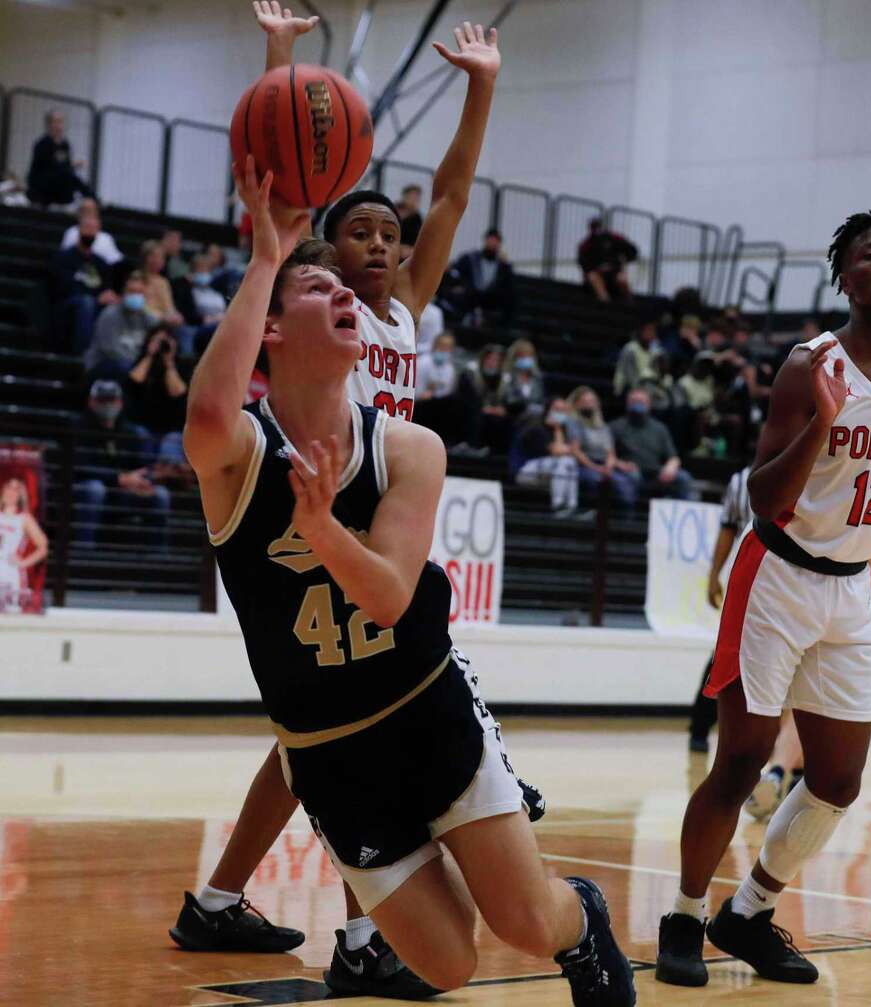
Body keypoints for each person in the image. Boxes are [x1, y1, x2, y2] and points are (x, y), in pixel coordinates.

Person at [182, 149, 635, 1007]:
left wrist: (320, 529)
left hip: (425, 704)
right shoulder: (241, 455)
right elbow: (206, 413)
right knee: (446, 965)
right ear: (268, 330)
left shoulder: (407, 447)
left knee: (525, 924)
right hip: (326, 748)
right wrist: (267, 256)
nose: (347, 294)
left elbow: (388, 594)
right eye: (321, 291)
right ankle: (456, 868)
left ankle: (579, 914)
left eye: (347, 292)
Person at [168, 7, 544, 1000]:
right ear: (327, 244)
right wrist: (280, 63)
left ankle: (235, 897)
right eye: (359, 230)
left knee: (314, 738)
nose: (380, 244)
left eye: (391, 232)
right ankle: (303, 905)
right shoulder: (306, 306)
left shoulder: (404, 309)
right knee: (314, 736)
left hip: (380, 506)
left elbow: (455, 191)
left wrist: (484, 84)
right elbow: (277, 178)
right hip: (303, 497)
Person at [656, 211, 871, 989]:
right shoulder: (806, 364)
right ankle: (681, 914)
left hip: (847, 594)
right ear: (842, 276)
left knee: (838, 779)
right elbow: (765, 496)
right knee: (741, 760)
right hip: (776, 575)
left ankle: (746, 912)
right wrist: (822, 422)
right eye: (870, 253)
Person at [687, 464, 751, 754]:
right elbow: (728, 528)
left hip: (791, 586)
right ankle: (699, 728)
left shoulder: (816, 470)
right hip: (748, 581)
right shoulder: (741, 481)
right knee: (725, 656)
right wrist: (713, 575)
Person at [74, 380, 170, 550]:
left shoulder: (131, 432)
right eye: (102, 400)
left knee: (161, 495)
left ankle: (157, 556)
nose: (108, 405)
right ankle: (84, 551)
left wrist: (143, 480)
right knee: (94, 489)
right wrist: (118, 478)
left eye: (112, 400)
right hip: (90, 490)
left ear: (120, 402)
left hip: (124, 493)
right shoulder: (79, 428)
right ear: (91, 402)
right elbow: (81, 467)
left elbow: (143, 465)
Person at [48, 213, 118, 354]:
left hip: (94, 304)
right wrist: (95, 296)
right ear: (79, 229)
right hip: (68, 304)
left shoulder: (101, 263)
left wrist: (109, 295)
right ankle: (83, 354)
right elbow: (62, 287)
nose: (90, 231)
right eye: (87, 227)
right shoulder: (64, 257)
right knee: (86, 302)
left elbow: (106, 289)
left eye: (94, 228)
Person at [609, 389, 696, 500]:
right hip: (628, 471)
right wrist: (620, 464)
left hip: (655, 473)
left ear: (649, 405)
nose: (638, 404)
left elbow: (673, 457)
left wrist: (670, 467)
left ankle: (684, 515)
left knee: (684, 478)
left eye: (641, 402)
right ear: (627, 404)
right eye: (634, 401)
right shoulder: (615, 427)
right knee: (633, 477)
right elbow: (607, 456)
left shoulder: (659, 428)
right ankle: (629, 517)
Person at [565, 386, 639, 511]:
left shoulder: (603, 427)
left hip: (603, 465)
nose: (589, 405)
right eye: (585, 402)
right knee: (597, 481)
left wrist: (608, 467)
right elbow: (576, 451)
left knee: (631, 477)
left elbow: (610, 453)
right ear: (576, 404)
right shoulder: (573, 423)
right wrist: (595, 468)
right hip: (584, 465)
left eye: (592, 401)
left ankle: (626, 520)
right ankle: (592, 514)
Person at [513, 399, 581, 518]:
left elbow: (571, 452)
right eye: (557, 409)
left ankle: (571, 506)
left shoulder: (562, 430)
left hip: (547, 472)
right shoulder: (537, 428)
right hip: (524, 472)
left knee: (570, 462)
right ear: (548, 410)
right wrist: (558, 430)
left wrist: (559, 431)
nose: (560, 413)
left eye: (563, 410)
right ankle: (558, 505)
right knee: (565, 461)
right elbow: (558, 451)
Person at [84, 272, 157, 383]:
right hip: (101, 364)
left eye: (139, 292)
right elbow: (111, 350)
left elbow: (159, 326)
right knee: (128, 368)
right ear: (123, 293)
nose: (135, 296)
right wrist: (138, 364)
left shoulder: (144, 316)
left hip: (129, 363)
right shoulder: (110, 314)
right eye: (132, 291)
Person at [126, 324, 189, 441]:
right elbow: (133, 383)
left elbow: (178, 393)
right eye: (157, 341)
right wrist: (150, 355)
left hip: (171, 426)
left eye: (165, 341)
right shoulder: (142, 361)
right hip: (142, 423)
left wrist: (169, 362)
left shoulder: (180, 365)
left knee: (172, 439)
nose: (161, 345)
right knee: (140, 434)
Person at [446, 228, 516, 326]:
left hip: (490, 303)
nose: (493, 243)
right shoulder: (470, 258)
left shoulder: (503, 266)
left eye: (496, 241)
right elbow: (456, 272)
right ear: (486, 240)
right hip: (469, 299)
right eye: (491, 240)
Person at [25, 110, 93, 207]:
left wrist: (70, 165)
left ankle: (93, 199)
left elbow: (64, 166)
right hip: (42, 183)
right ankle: (91, 198)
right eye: (56, 122)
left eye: (61, 122)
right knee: (69, 176)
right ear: (49, 124)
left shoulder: (65, 145)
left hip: (59, 181)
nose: (59, 125)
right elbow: (47, 167)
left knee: (73, 178)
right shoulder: (42, 144)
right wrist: (71, 165)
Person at [0, 478, 49, 614]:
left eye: (16, 489)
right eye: (9, 487)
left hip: (10, 574)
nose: (11, 492)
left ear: (21, 495)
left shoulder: (24, 519)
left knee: (10, 614)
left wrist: (23, 563)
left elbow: (43, 546)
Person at [577, 217, 637, 302]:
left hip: (615, 271)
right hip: (597, 273)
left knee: (622, 279)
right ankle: (605, 301)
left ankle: (629, 301)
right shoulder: (586, 244)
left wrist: (624, 262)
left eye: (599, 227)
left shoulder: (614, 238)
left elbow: (631, 249)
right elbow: (583, 262)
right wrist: (596, 269)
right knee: (593, 278)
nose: (597, 231)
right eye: (594, 228)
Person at [60, 199, 123, 266]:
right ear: (80, 213)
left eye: (91, 209)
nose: (88, 213)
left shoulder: (106, 238)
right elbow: (64, 256)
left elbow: (116, 261)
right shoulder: (71, 232)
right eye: (85, 210)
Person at [613, 318, 662, 397]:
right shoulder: (630, 349)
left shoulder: (655, 352)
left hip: (647, 386)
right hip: (628, 386)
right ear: (641, 332)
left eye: (652, 331)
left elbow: (656, 374)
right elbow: (628, 375)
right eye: (647, 330)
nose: (650, 334)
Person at [498, 338, 546, 419]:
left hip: (533, 418)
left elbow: (540, 401)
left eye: (529, 355)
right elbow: (509, 400)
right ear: (514, 357)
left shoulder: (537, 379)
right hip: (511, 417)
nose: (526, 359)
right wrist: (527, 407)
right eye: (522, 356)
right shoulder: (507, 376)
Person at [397, 183, 424, 257]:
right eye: (412, 198)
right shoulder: (393, 213)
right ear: (405, 197)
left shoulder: (417, 218)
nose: (415, 202)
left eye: (417, 199)